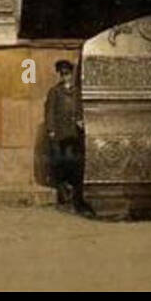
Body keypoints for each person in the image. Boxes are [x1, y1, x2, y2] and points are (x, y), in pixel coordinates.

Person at [43, 59, 89, 212]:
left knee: (74, 163)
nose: (65, 77)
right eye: (62, 74)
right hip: (61, 134)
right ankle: (64, 195)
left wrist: (81, 121)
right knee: (62, 162)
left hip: (74, 134)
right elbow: (49, 112)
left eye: (67, 74)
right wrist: (51, 129)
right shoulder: (55, 92)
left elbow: (80, 109)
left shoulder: (77, 92)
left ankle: (74, 195)